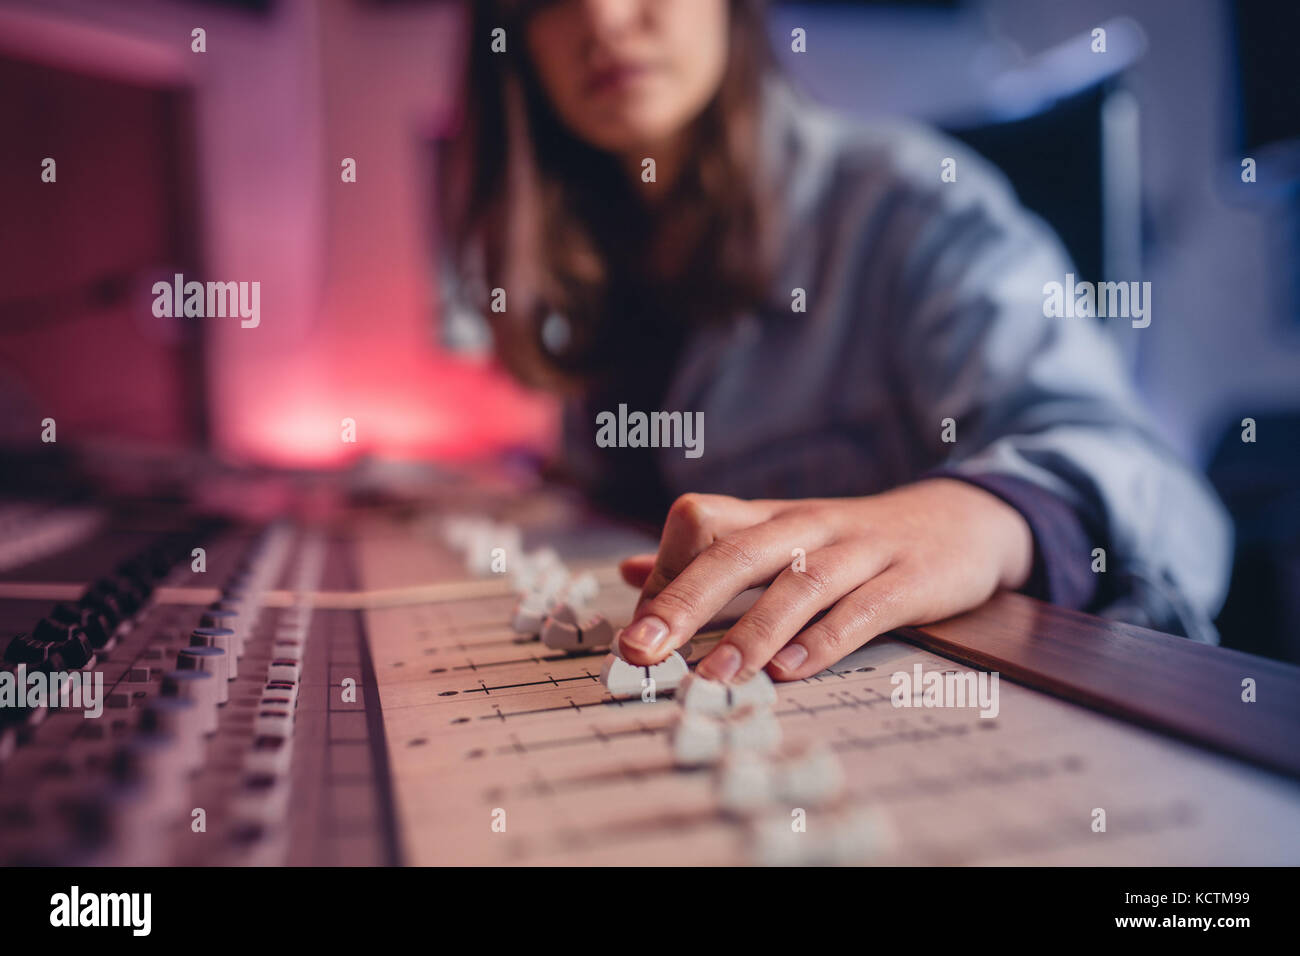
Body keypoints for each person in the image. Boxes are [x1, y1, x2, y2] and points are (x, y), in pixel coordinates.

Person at [442, 0, 1232, 684]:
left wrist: (971, 518)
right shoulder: (595, 259)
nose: (605, 19)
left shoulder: (910, 204)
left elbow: (1163, 499)